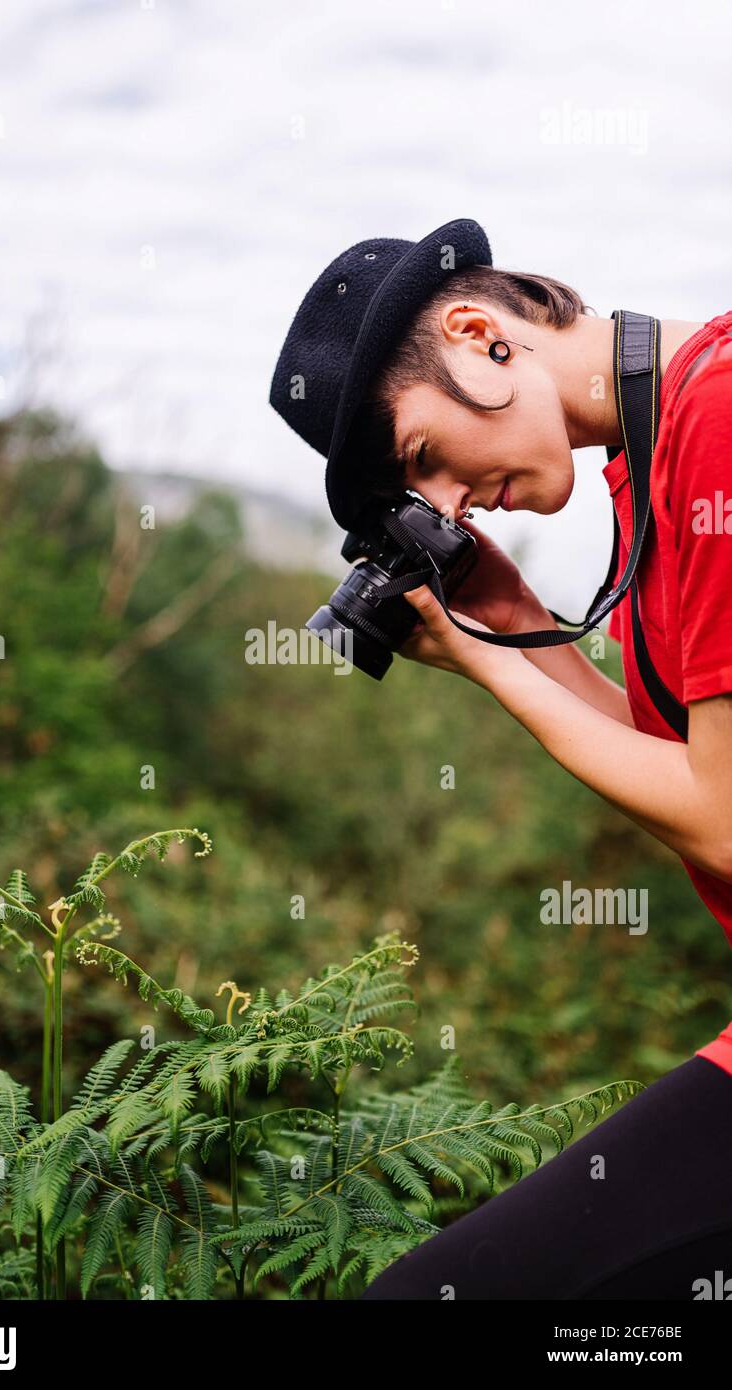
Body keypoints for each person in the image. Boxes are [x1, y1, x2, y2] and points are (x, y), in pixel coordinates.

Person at [269, 218, 732, 1299]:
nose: (446, 505)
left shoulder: (715, 420)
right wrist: (515, 622)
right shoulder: (656, 453)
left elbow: (722, 818)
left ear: (480, 336)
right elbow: (685, 762)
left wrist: (494, 669)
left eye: (424, 460)